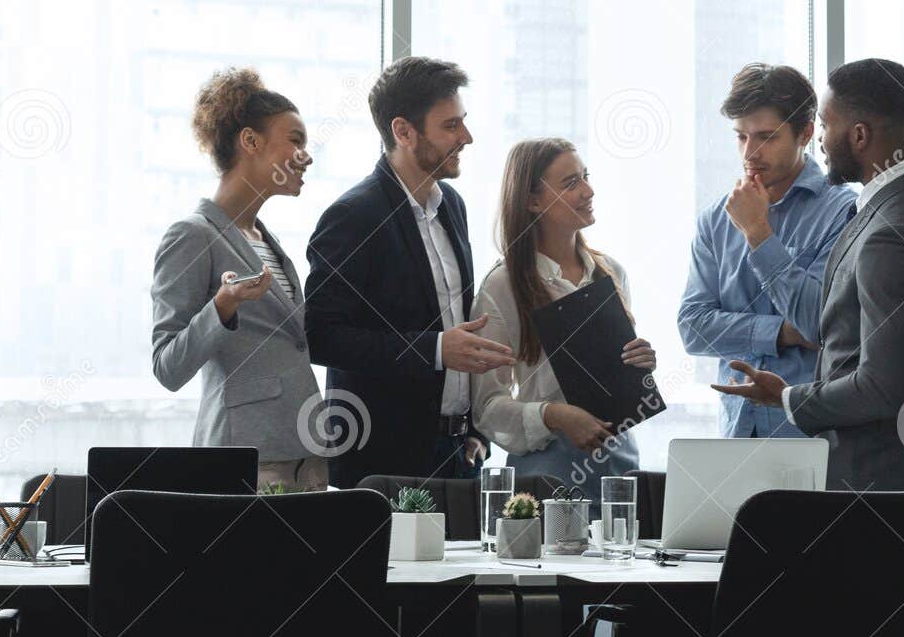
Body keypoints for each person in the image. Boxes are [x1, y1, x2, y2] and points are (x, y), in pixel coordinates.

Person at [712, 58, 904, 491]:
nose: (822, 144)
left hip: (878, 482)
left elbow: (881, 388)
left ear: (860, 135)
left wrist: (786, 396)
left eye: (826, 127)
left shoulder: (890, 231)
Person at [305, 56, 512, 488]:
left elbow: (458, 328)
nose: (466, 137)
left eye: (464, 122)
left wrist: (472, 431)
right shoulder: (353, 215)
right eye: (451, 126)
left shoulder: (452, 206)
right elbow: (321, 336)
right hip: (383, 462)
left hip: (457, 456)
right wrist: (435, 350)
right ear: (403, 131)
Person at [150, 67, 327, 491]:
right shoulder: (192, 235)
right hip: (246, 455)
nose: (307, 155)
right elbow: (167, 366)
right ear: (251, 141)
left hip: (306, 453)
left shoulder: (266, 240)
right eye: (296, 140)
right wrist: (222, 305)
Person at [678, 64, 857, 437]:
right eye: (741, 137)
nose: (751, 152)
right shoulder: (716, 218)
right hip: (737, 430)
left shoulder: (842, 211)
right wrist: (781, 333)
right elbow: (692, 327)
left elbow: (815, 321)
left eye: (766, 137)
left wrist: (759, 234)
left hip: (807, 434)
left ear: (805, 133)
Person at [471, 138, 650, 496]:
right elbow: (486, 408)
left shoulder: (611, 272)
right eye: (571, 183)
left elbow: (618, 376)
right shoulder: (503, 286)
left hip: (620, 464)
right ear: (532, 200)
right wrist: (555, 415)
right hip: (546, 471)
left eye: (585, 176)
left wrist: (642, 361)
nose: (588, 190)